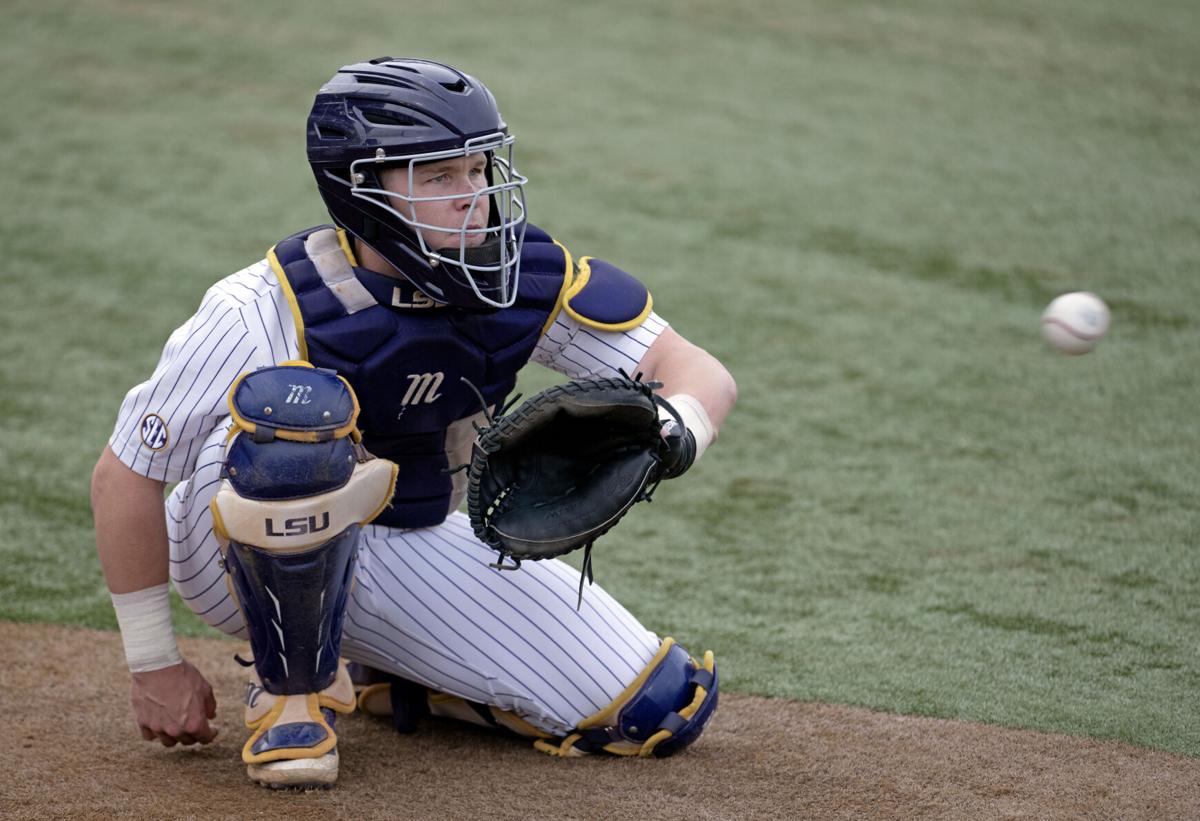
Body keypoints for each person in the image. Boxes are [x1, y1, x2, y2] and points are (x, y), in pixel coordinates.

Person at [91, 57, 737, 789]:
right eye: (438, 178)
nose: (475, 196)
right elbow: (125, 475)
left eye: (479, 168)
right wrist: (153, 662)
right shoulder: (263, 307)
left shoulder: (523, 279)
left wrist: (678, 426)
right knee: (295, 429)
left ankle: (390, 668)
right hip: (224, 542)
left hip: (409, 529)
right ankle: (289, 695)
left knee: (655, 704)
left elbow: (698, 370)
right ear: (361, 192)